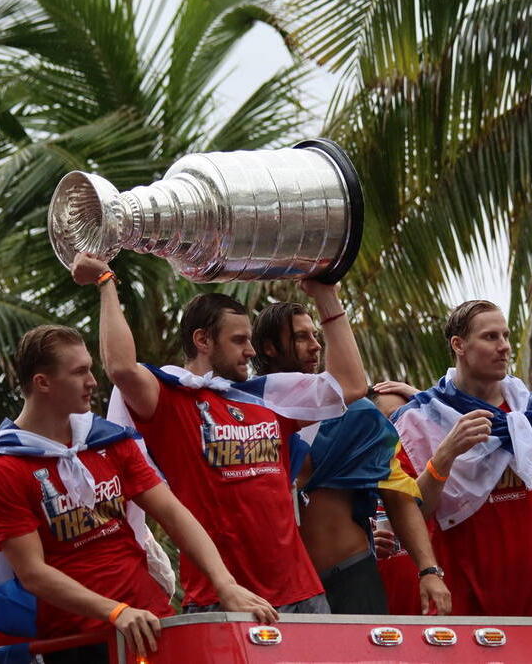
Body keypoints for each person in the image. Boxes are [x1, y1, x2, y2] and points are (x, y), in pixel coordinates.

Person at [71, 253, 367, 614]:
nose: (251, 351)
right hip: (222, 599)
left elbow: (351, 384)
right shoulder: (172, 399)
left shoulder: (269, 396)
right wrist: (105, 282)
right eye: (239, 340)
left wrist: (326, 296)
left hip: (303, 595)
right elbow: (121, 368)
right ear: (203, 340)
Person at [0, 325, 276, 663]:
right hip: (80, 641)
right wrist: (115, 611)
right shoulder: (2, 466)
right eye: (80, 372)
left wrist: (224, 583)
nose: (93, 382)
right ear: (43, 383)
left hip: (151, 619)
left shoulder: (107, 439)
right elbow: (32, 572)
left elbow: (173, 513)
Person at [374, 300, 532, 646]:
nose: (504, 346)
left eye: (505, 336)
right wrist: (446, 455)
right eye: (491, 337)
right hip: (458, 613)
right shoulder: (421, 419)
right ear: (459, 345)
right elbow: (413, 513)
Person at [252, 302, 451, 615]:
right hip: (275, 586)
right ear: (269, 347)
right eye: (301, 337)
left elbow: (398, 496)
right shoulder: (245, 414)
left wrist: (429, 571)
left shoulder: (358, 414)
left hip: (350, 575)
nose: (315, 345)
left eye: (316, 335)